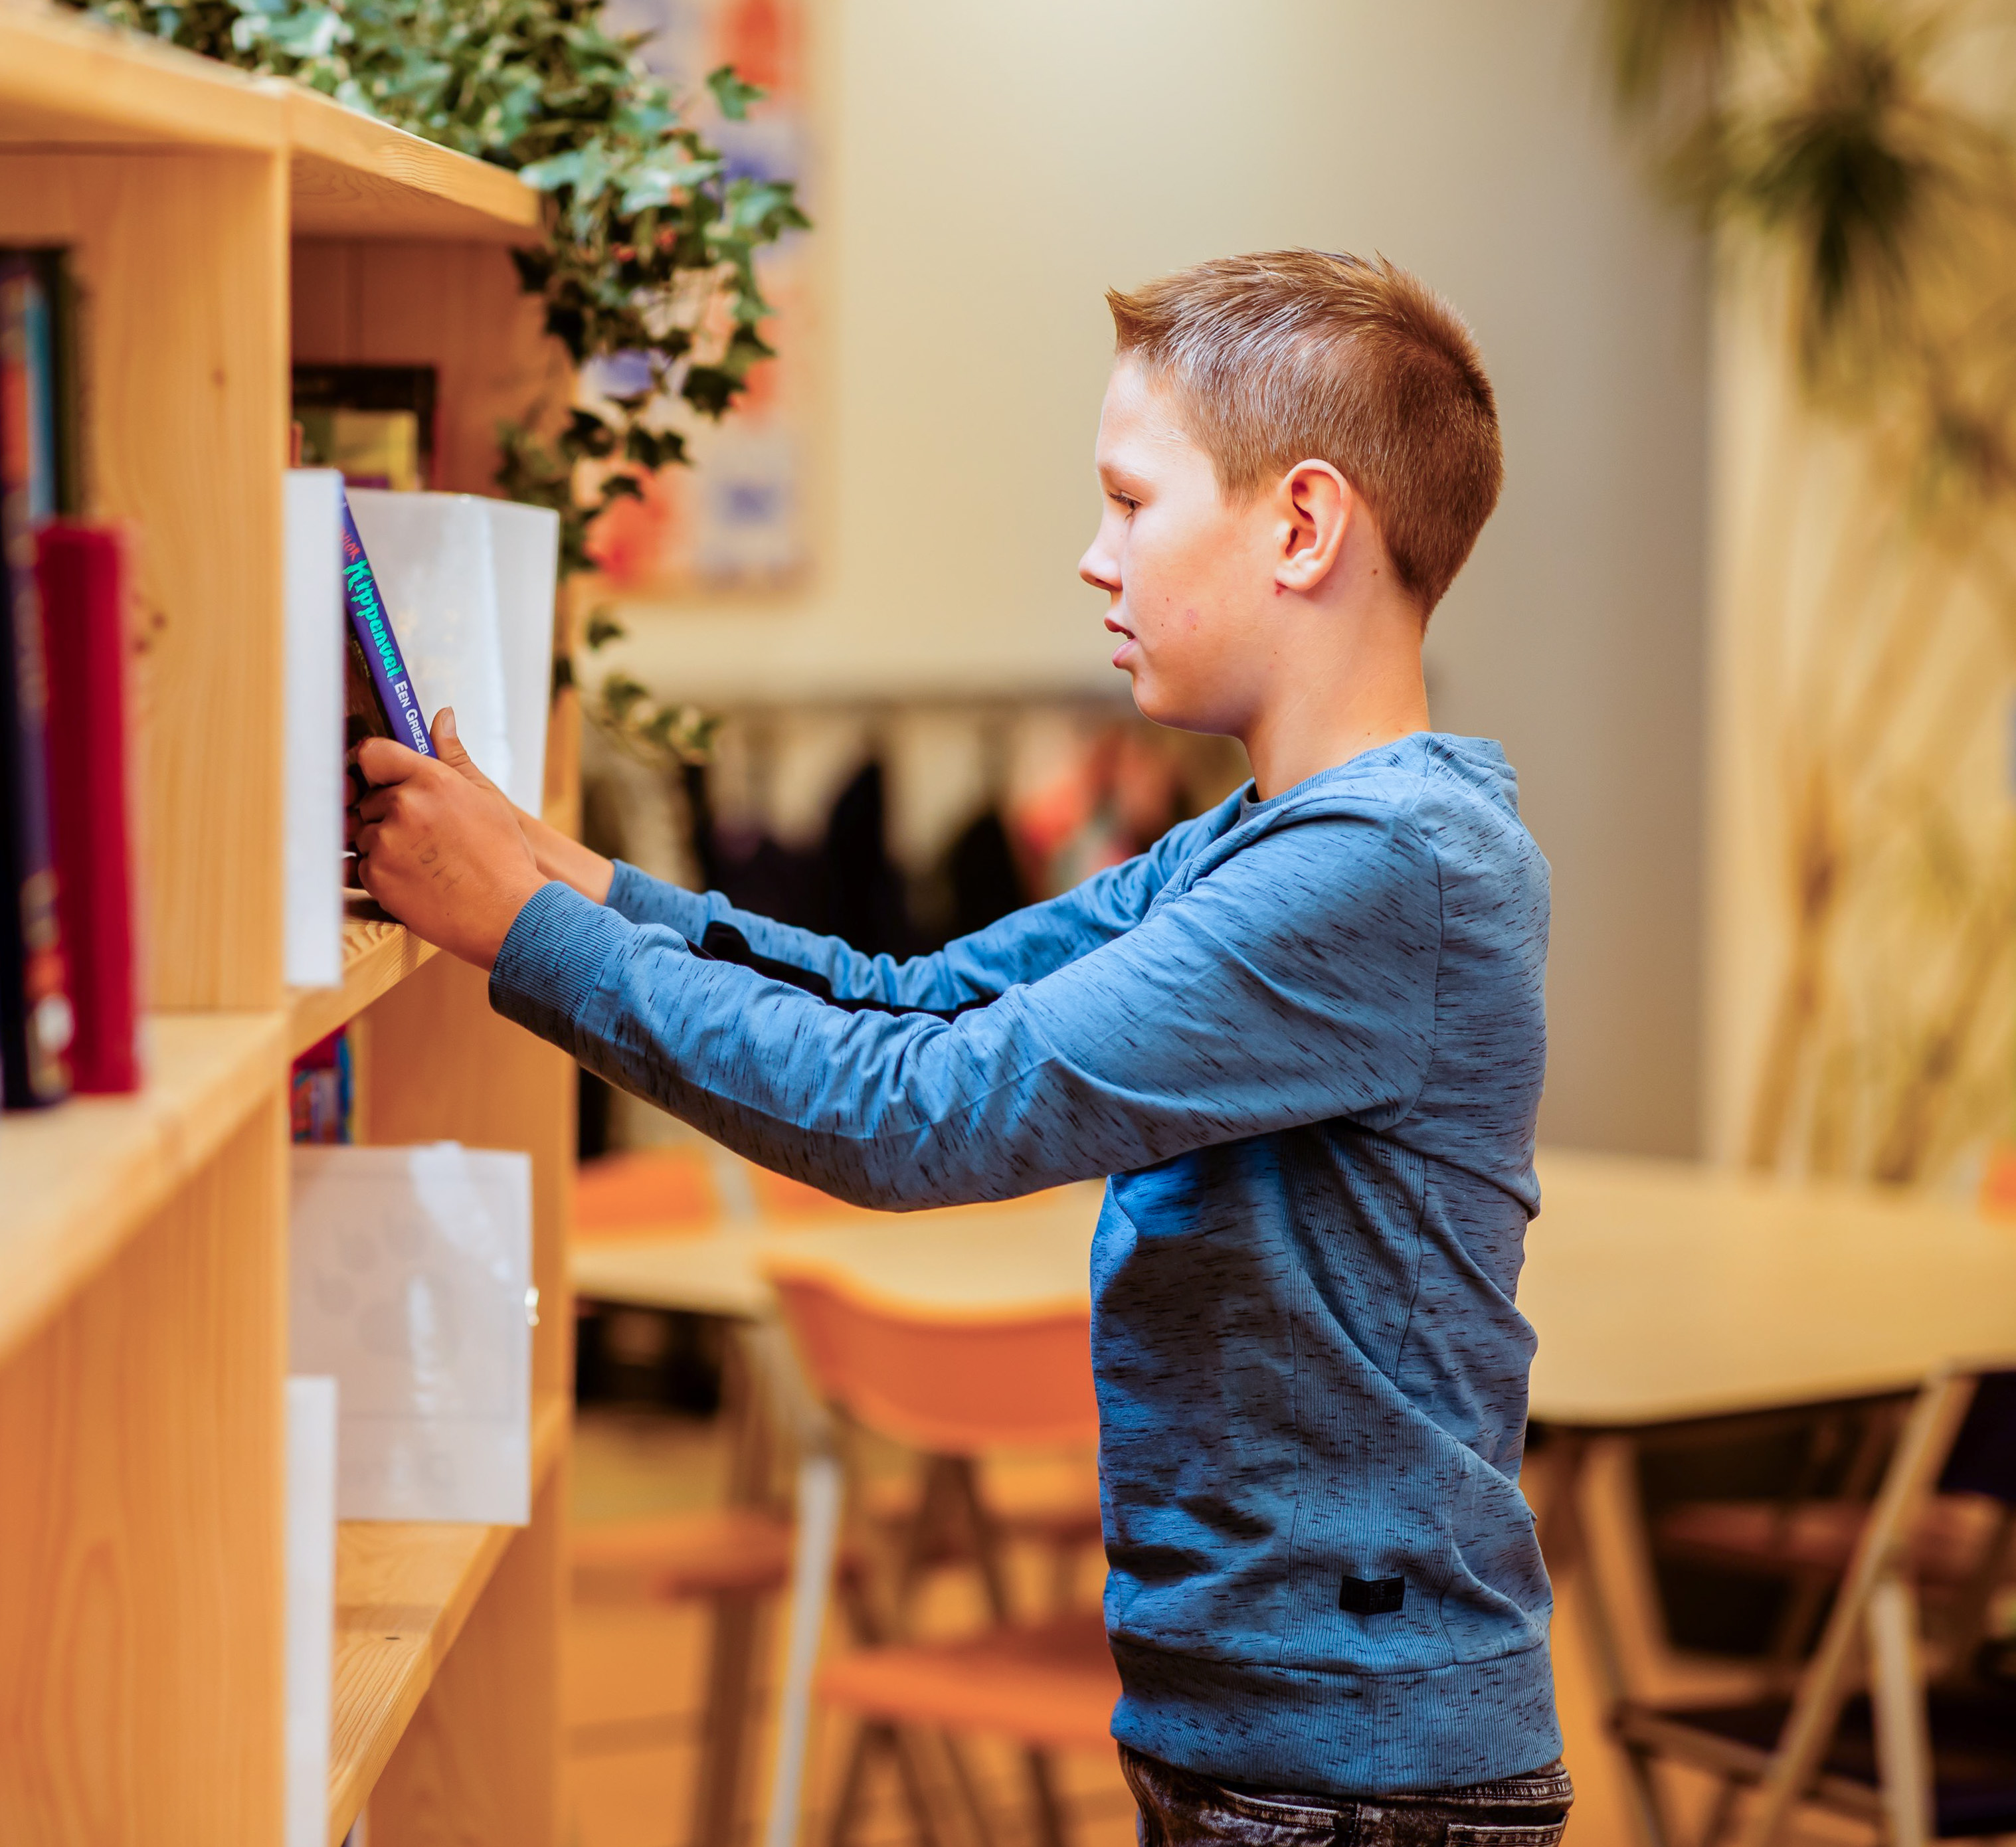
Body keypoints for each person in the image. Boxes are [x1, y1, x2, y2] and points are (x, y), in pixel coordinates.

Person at [351, 249, 1568, 1844]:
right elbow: (914, 995)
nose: (1092, 555)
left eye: (1131, 504)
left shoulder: (1388, 867)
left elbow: (918, 1109)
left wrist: (521, 930)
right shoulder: (1259, 842)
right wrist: (579, 878)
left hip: (1352, 1773)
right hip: (1266, 1738)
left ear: (1302, 525)